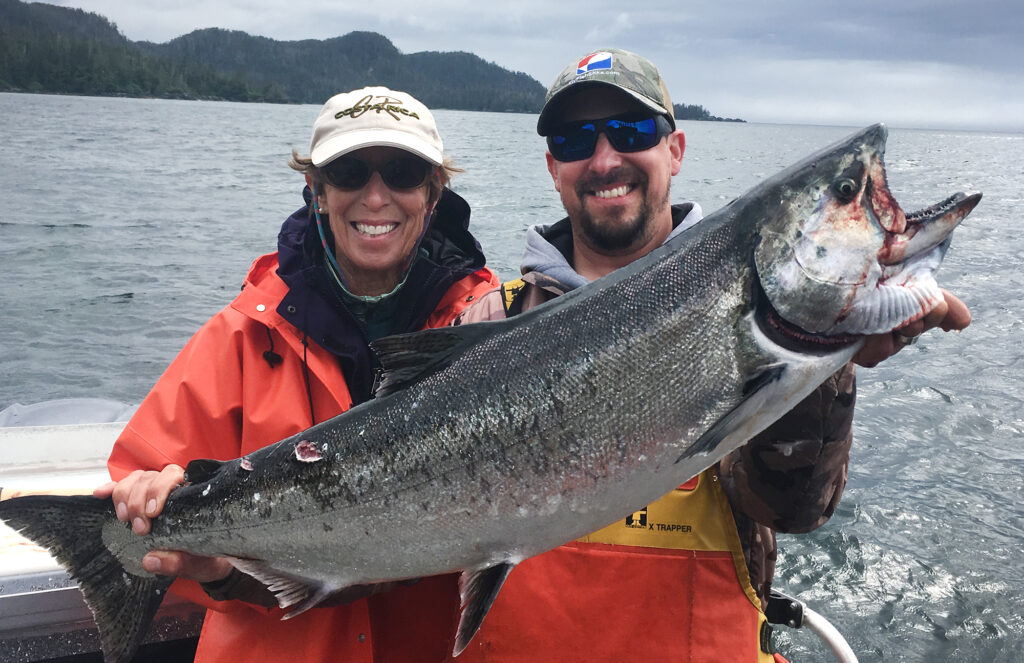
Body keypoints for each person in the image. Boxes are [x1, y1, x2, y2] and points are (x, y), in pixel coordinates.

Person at [447, 48, 971, 662]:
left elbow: (793, 507)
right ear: (552, 166)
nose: (604, 157)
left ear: (675, 150)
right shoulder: (491, 322)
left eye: (632, 130)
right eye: (574, 139)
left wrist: (828, 362)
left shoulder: (749, 313)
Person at [93, 87, 498, 663]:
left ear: (433, 194)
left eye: (403, 173)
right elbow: (138, 484)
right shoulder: (244, 333)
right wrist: (159, 515)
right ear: (317, 191)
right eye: (351, 172)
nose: (376, 196)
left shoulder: (489, 325)